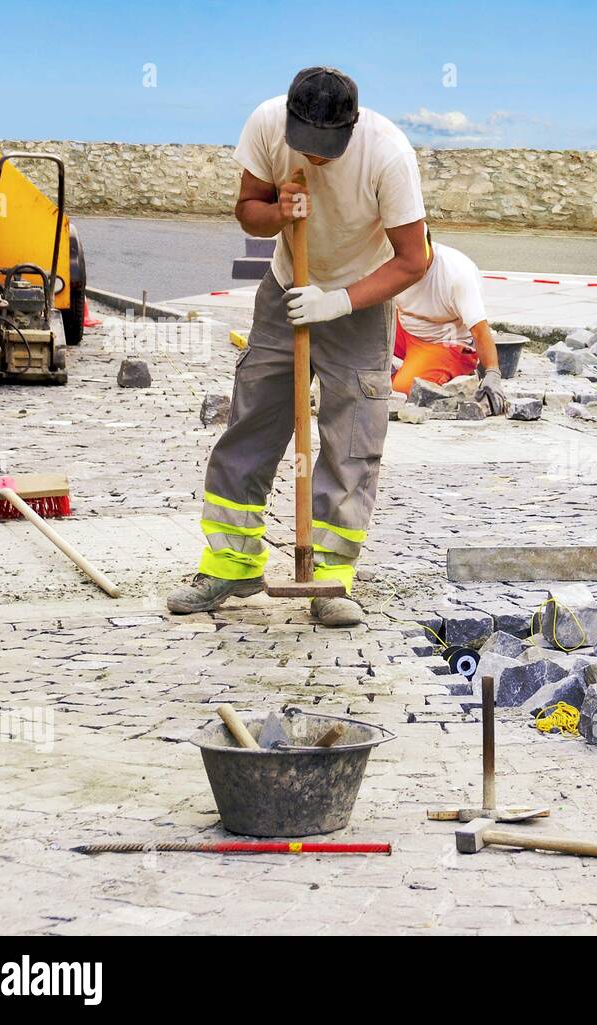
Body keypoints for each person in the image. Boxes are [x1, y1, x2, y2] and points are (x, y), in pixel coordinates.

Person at [167, 67, 428, 627]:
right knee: (254, 417)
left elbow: (414, 260)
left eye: (328, 150)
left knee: (352, 436)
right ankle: (231, 565)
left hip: (359, 298)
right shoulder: (265, 124)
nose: (316, 159)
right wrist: (279, 212)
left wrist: (339, 302)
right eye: (306, 147)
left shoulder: (388, 155)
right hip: (287, 286)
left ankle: (331, 580)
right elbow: (248, 210)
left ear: (351, 129)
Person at [390, 227, 506, 413]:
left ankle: (420, 371)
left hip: (443, 341)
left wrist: (492, 372)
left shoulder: (457, 274)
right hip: (404, 326)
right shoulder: (390, 260)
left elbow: (480, 330)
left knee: (402, 389)